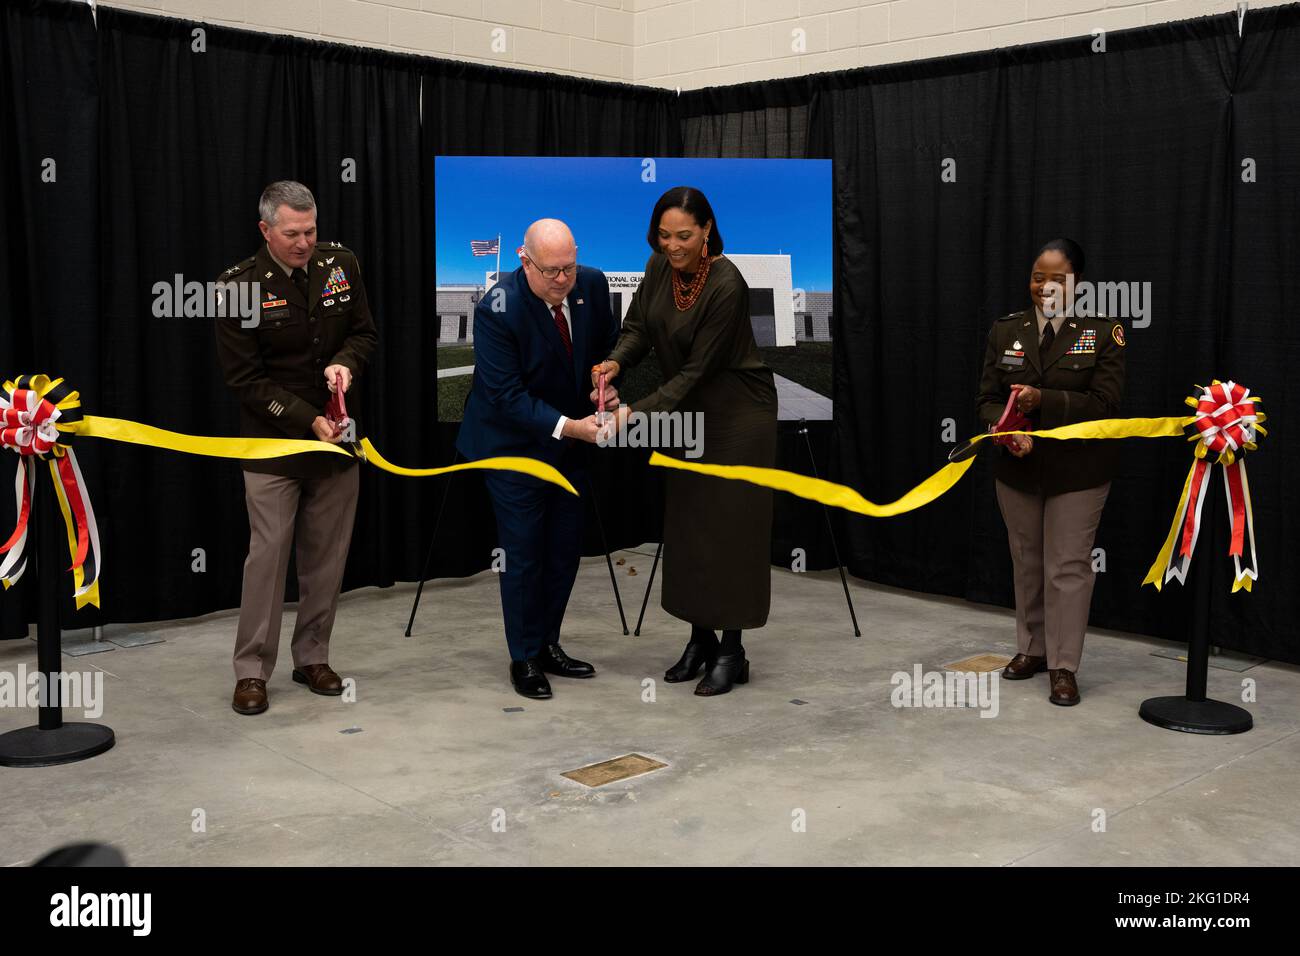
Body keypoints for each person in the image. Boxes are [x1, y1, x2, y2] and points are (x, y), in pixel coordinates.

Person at [594, 186, 778, 697]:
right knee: (690, 527)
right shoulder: (658, 268)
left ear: (707, 232)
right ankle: (700, 638)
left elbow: (697, 371)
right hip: (687, 410)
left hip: (739, 414)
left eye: (684, 236)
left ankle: (733, 650)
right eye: (663, 235)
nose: (672, 245)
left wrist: (633, 413)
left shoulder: (727, 283)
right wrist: (615, 362)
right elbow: (637, 330)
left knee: (731, 533)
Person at [214, 180, 377, 715]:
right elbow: (246, 381)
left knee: (326, 556)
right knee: (268, 555)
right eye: (292, 234)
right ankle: (251, 670)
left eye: (310, 231)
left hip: (339, 439)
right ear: (266, 230)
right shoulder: (237, 287)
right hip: (273, 443)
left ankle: (312, 656)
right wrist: (309, 420)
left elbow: (364, 335)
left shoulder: (341, 264)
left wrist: (346, 365)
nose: (305, 242)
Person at [458, 219, 620, 700]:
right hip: (510, 445)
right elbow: (505, 396)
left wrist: (606, 385)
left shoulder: (591, 281)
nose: (562, 279)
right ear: (525, 261)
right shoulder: (497, 307)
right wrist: (572, 427)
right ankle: (524, 657)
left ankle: (548, 643)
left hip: (569, 443)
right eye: (551, 270)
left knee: (564, 548)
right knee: (525, 552)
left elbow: (606, 347)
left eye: (568, 267)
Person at [977, 238, 1126, 706]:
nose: (1044, 287)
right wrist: (1002, 431)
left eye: (1056, 278)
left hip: (1077, 471)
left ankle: (1064, 665)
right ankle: (1032, 649)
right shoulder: (1007, 330)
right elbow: (986, 398)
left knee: (1067, 567)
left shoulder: (1103, 333)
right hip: (1017, 468)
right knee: (1029, 562)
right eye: (1038, 276)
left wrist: (1045, 401)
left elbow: (1106, 406)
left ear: (1076, 283)